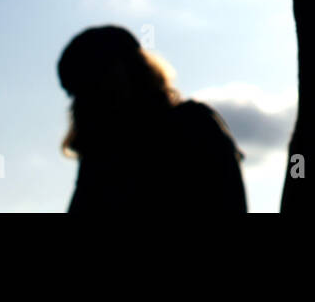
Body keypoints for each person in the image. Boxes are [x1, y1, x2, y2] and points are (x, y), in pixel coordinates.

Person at [57, 25, 247, 214]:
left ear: (132, 71)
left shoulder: (193, 126)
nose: (93, 98)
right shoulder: (100, 156)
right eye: (81, 91)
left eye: (99, 80)